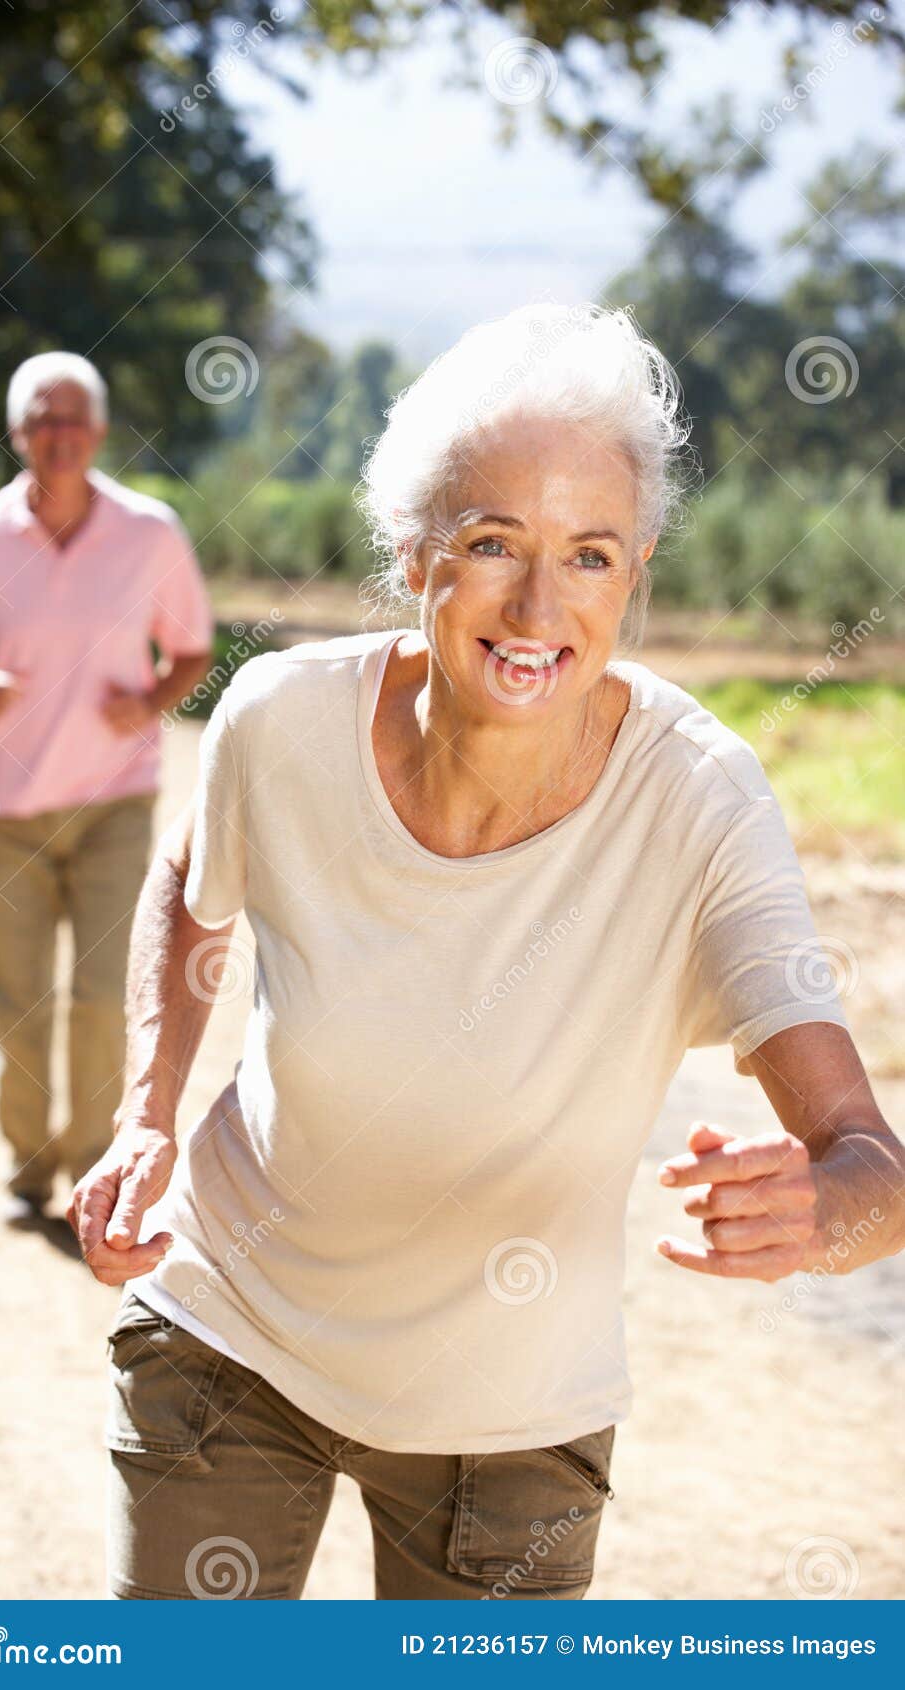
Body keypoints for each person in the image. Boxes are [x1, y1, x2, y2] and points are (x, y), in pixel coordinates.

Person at [68, 303, 905, 1601]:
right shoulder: (281, 722)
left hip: (507, 1420)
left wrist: (822, 1210)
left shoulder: (698, 799)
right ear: (413, 556)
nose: (535, 602)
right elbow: (190, 873)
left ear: (632, 576)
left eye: (587, 555)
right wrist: (144, 1115)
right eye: (490, 542)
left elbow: (865, 1156)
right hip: (228, 1328)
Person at [0, 351, 214, 1224]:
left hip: (117, 801)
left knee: (106, 993)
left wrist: (149, 700)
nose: (59, 434)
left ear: (101, 431)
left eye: (74, 418)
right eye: (42, 418)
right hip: (6, 808)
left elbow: (191, 647)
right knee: (21, 996)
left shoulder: (149, 532)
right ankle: (27, 1160)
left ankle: (92, 1168)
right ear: (17, 432)